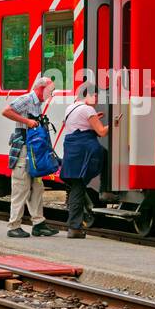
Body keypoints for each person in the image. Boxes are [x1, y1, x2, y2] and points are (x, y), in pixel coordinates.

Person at [1, 74, 58, 239]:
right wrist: (27, 122)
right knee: (21, 187)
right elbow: (6, 111)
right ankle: (14, 226)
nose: (50, 95)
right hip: (23, 149)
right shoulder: (26, 99)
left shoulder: (38, 103)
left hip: (33, 150)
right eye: (50, 91)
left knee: (37, 187)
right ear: (40, 88)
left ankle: (39, 224)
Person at [57, 88, 107, 238]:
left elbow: (75, 124)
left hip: (72, 152)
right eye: (96, 96)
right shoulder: (88, 109)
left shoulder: (70, 107)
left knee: (76, 188)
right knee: (78, 189)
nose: (97, 99)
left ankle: (74, 227)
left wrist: (93, 118)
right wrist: (116, 124)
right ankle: (74, 228)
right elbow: (102, 132)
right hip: (83, 152)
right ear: (88, 95)